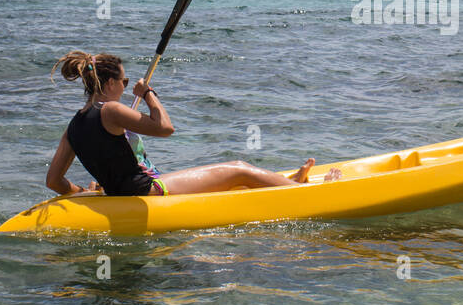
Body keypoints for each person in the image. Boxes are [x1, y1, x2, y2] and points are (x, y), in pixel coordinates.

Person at [44, 50, 340, 197]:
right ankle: (310, 194)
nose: (125, 85)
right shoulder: (110, 110)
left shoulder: (73, 126)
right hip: (149, 190)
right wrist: (148, 94)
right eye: (122, 80)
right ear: (109, 83)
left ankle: (288, 183)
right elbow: (165, 128)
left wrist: (86, 193)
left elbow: (53, 181)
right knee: (237, 168)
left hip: (124, 193)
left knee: (231, 183)